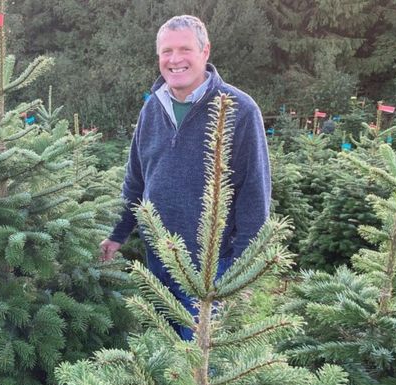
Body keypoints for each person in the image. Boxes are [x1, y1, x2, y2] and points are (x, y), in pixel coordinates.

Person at [99, 15, 271, 340]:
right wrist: (118, 234)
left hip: (212, 265)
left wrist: (242, 270)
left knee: (201, 363)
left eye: (184, 49)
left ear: (205, 51)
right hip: (159, 257)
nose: (174, 60)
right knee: (166, 351)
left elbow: (254, 194)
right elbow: (136, 180)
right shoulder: (152, 109)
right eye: (166, 51)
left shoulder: (240, 109)